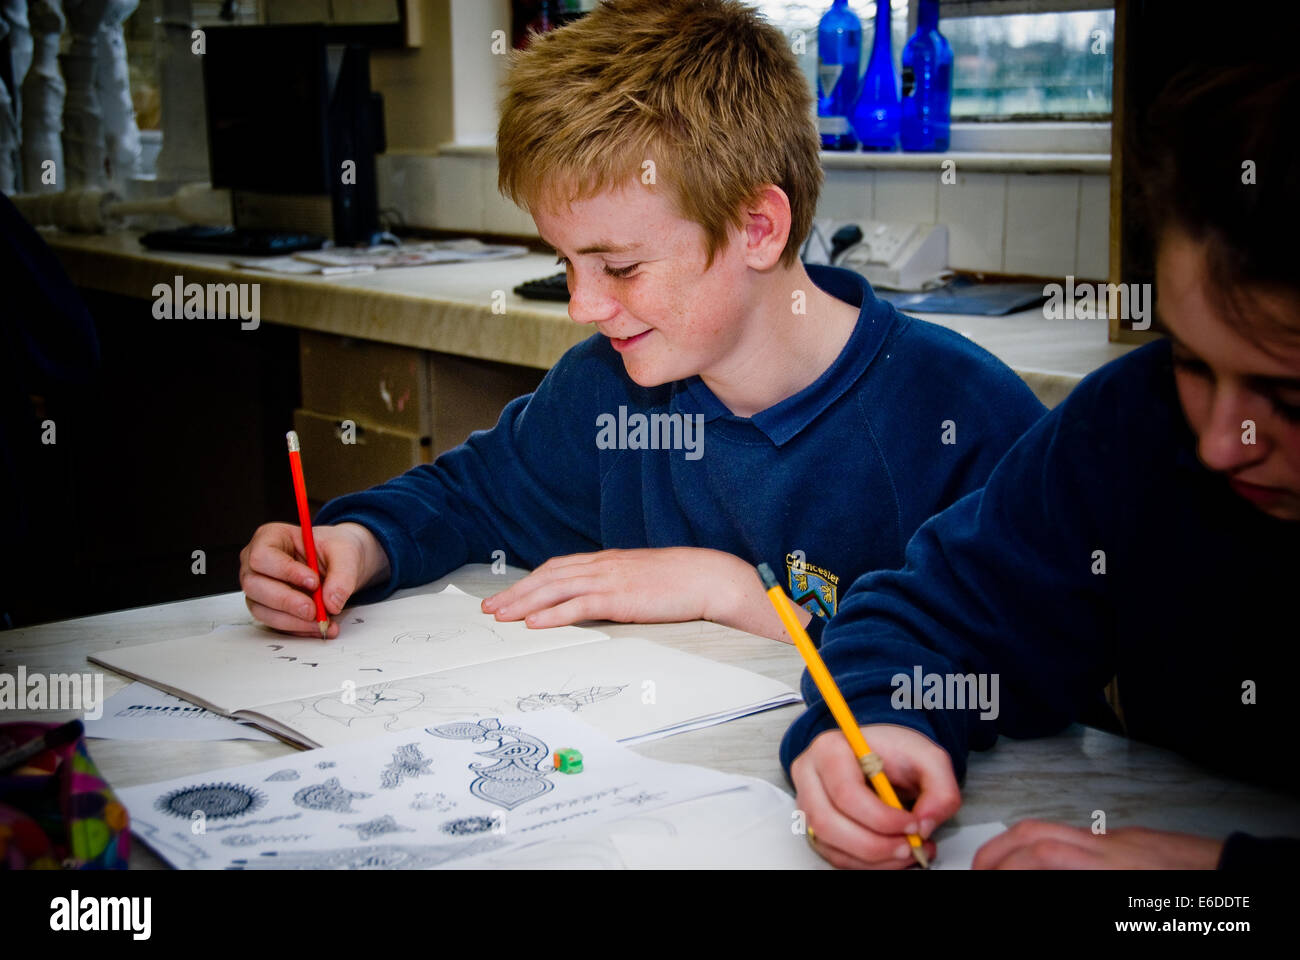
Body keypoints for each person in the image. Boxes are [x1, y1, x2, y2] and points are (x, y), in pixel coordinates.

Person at [238, 0, 1043, 645]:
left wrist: (733, 594)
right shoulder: (608, 387)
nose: (584, 307)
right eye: (566, 264)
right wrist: (357, 545)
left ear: (757, 229)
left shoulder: (953, 417)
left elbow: (1024, 668)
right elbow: (468, 496)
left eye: (619, 267)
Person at [780, 62, 1300, 869]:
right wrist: (884, 722)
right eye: (1193, 363)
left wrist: (1217, 880)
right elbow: (939, 616)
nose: (1219, 443)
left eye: (1288, 398)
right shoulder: (1135, 420)